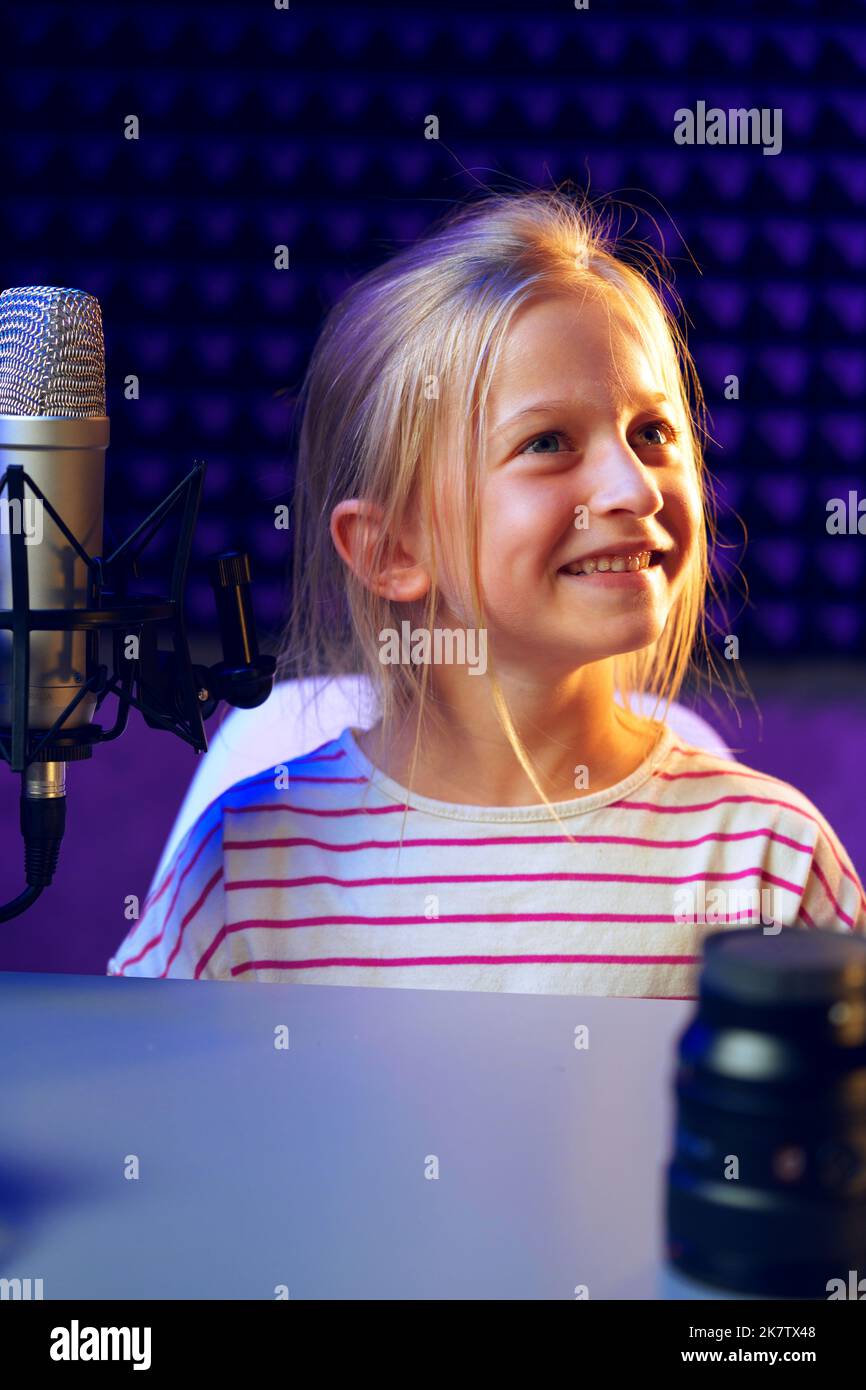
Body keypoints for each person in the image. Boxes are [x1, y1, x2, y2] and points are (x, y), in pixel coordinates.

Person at [108, 190, 866, 992]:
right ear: (392, 549)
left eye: (653, 433)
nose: (635, 489)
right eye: (548, 443)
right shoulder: (244, 874)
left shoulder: (769, 862)